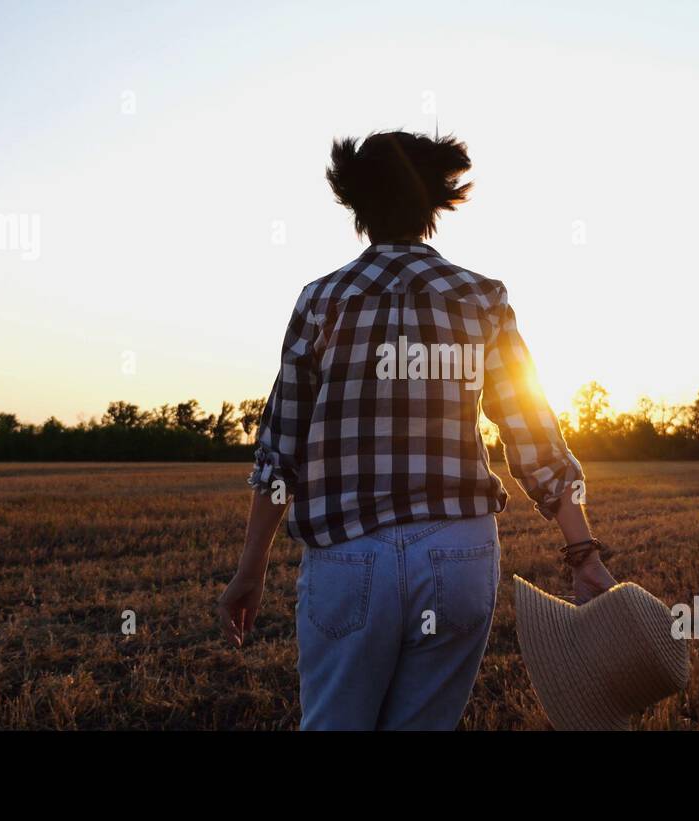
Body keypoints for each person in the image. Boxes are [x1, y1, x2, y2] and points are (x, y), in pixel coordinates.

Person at [215, 130, 616, 730]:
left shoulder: (321, 301)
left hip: (348, 555)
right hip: (457, 556)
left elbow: (280, 449)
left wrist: (251, 570)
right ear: (435, 202)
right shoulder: (483, 297)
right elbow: (531, 432)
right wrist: (581, 552)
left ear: (355, 205)